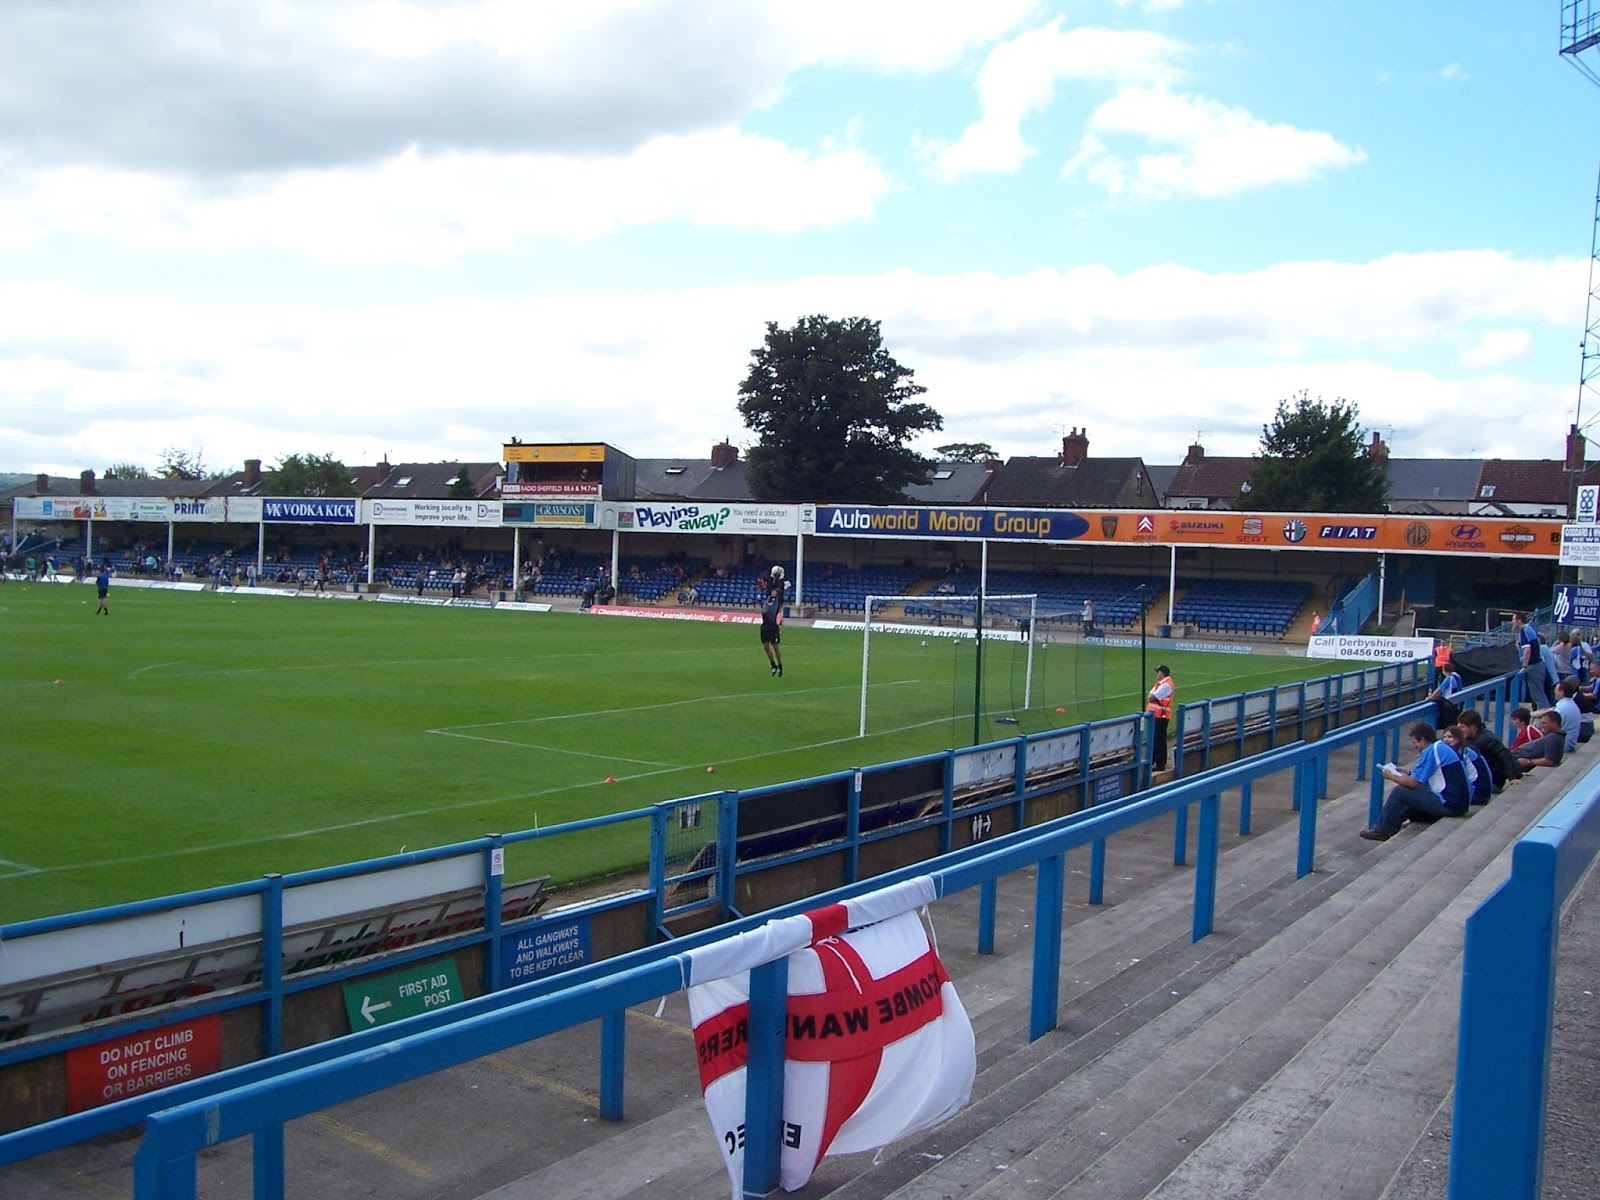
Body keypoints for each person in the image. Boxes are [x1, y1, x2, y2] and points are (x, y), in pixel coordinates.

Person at [1360, 721, 1471, 841]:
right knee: (1410, 795)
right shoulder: (1440, 747)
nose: (1415, 746)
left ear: (1423, 740)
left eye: (1415, 742)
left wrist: (1391, 776)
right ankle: (1390, 827)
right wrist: (1408, 773)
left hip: (1450, 805)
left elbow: (1414, 783)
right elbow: (1427, 776)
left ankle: (1382, 830)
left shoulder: (1432, 751)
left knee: (1400, 791)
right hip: (1459, 804)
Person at [1457, 709, 1521, 791]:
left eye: (1463, 727)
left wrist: (1513, 777)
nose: (1460, 731)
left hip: (1492, 781)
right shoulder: (1470, 739)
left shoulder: (1487, 739)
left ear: (1473, 727)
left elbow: (1505, 754)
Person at [1441, 725, 1492, 806]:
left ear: (1458, 739)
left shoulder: (1462, 752)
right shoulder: (1465, 749)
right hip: (1482, 791)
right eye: (1444, 737)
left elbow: (1465, 776)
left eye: (1450, 737)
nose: (1446, 740)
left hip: (1477, 793)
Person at [1514, 613, 1551, 709]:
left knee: (1538, 695)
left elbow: (1527, 651)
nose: (1512, 622)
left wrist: (1524, 666)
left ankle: (1546, 715)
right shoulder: (1529, 629)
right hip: (1539, 664)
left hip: (1534, 666)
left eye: (1514, 619)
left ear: (1519, 620)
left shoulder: (1524, 631)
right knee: (1539, 694)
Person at [1145, 664, 1174, 771]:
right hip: (1157, 715)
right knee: (1156, 739)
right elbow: (1150, 696)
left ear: (1162, 673)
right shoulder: (1161, 684)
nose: (1157, 674)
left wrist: (1151, 697)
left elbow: (1152, 697)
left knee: (1159, 739)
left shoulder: (1166, 685)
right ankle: (1154, 761)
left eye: (1158, 672)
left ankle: (1159, 763)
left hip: (1161, 715)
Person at [761, 564, 785, 677]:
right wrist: (772, 576)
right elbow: (769, 585)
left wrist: (781, 578)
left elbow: (781, 588)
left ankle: (780, 666)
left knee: (775, 647)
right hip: (764, 625)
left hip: (772, 626)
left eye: (775, 591)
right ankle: (773, 665)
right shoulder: (768, 597)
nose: (773, 592)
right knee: (766, 647)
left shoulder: (778, 600)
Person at [1425, 662, 1463, 727]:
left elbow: (1439, 690)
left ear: (1444, 670)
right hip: (1457, 703)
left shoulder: (1448, 679)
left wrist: (1430, 698)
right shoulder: (1457, 676)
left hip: (1450, 705)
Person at [1552, 678, 1583, 753]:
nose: (1554, 691)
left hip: (1564, 745)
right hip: (1570, 743)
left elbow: (1552, 726)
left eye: (1556, 689)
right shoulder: (1571, 704)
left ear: (1561, 692)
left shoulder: (1562, 708)